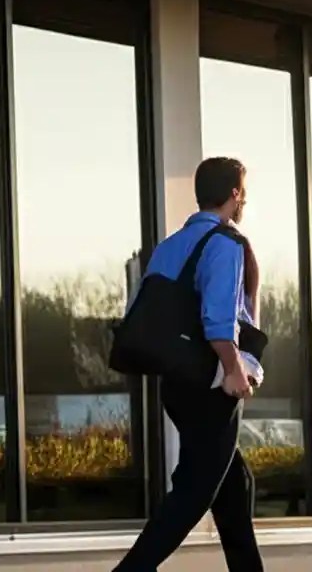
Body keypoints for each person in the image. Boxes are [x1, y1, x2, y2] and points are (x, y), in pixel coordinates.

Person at [114, 156, 265, 572]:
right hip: (211, 385)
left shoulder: (170, 246)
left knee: (234, 486)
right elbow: (219, 321)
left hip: (176, 386)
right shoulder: (225, 244)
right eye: (243, 192)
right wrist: (234, 370)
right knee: (193, 493)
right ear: (235, 195)